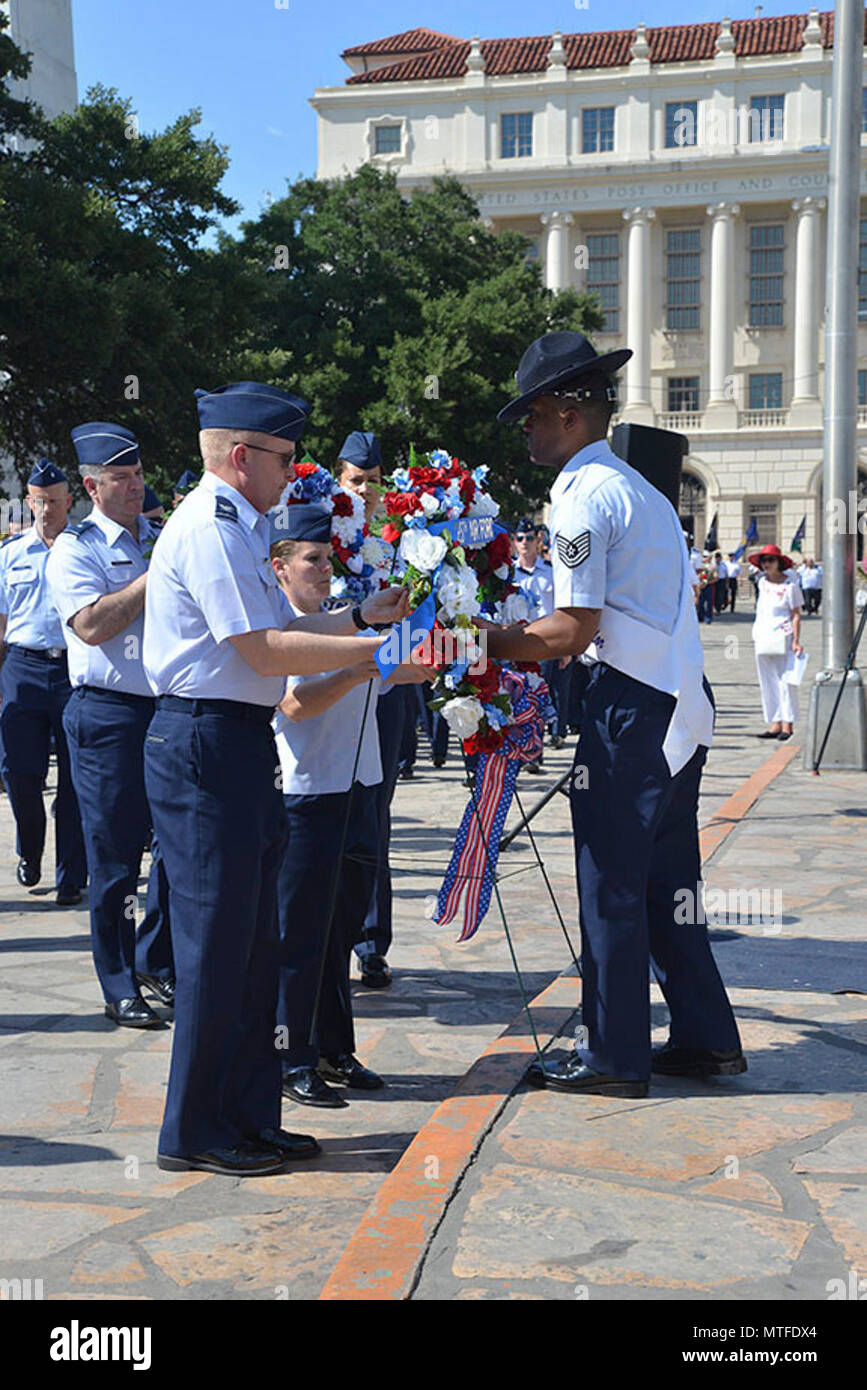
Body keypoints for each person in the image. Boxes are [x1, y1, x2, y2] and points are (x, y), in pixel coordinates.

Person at [142, 381, 409, 1178]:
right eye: (286, 459)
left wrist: (364, 621)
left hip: (235, 742)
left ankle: (249, 1116)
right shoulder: (208, 527)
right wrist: (375, 657)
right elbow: (261, 653)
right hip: (202, 743)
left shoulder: (241, 526)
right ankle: (193, 1130)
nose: (296, 476)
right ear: (239, 455)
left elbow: (288, 629)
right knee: (219, 949)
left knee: (257, 947)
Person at [475, 330, 745, 1096]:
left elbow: (569, 629)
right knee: (666, 887)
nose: (526, 428)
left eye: (530, 414)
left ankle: (614, 1057)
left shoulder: (579, 497)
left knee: (610, 886)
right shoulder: (636, 487)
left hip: (631, 706)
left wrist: (471, 642)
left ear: (565, 411)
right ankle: (704, 1037)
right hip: (672, 699)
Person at [270, 509, 426, 1107]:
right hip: (307, 792)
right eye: (312, 561)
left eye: (328, 560)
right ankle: (291, 1056)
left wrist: (448, 638)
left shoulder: (345, 624)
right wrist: (361, 666)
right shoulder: (278, 627)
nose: (324, 571)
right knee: (299, 933)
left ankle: (334, 1047)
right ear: (280, 567)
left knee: (340, 928)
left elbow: (405, 670)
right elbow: (293, 703)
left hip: (360, 787)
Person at [46, 425, 173, 1028]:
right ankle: (119, 980)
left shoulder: (161, 536)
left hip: (166, 709)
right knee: (117, 858)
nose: (134, 487)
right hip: (107, 714)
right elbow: (92, 625)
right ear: (92, 487)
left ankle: (155, 960)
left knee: (176, 847)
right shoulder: (76, 548)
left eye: (138, 475)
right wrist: (156, 576)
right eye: (121, 478)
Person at [335, 429, 408, 987]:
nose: (364, 491)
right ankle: (328, 932)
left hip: (386, 692)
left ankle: (371, 938)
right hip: (328, 693)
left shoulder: (400, 544)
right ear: (340, 479)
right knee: (326, 812)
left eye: (373, 483)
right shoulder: (319, 532)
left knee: (374, 816)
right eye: (356, 481)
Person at [0, 459, 86, 904]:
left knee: (75, 778)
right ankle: (30, 850)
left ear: (69, 501)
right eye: (39, 502)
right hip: (23, 667)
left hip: (74, 669)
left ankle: (71, 874)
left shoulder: (84, 549)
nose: (46, 510)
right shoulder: (11, 555)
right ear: (28, 503)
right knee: (19, 771)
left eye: (54, 501)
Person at [513, 516, 569, 757]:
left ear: (538, 541)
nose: (524, 543)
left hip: (546, 640)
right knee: (523, 695)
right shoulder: (508, 574)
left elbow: (562, 607)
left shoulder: (550, 572)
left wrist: (567, 646)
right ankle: (532, 748)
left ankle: (543, 742)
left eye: (529, 538)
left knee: (544, 692)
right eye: (520, 538)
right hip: (518, 641)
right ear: (514, 543)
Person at [750, 544, 804, 742]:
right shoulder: (762, 583)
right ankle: (775, 721)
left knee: (785, 680)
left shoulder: (790, 586)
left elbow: (796, 614)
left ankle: (788, 723)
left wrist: (796, 641)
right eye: (764, 561)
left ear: (779, 562)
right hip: (763, 634)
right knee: (768, 680)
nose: (766, 564)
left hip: (783, 635)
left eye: (770, 560)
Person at [697, 552, 717, 624]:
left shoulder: (712, 567)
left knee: (709, 603)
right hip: (700, 586)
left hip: (709, 586)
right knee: (700, 603)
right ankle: (701, 616)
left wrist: (707, 582)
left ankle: (708, 617)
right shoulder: (699, 566)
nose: (704, 558)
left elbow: (716, 578)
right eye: (703, 556)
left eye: (706, 556)